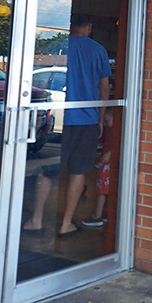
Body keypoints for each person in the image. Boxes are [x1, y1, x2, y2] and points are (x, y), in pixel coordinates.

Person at [23, 13, 111, 238]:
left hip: (60, 117)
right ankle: (65, 224)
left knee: (47, 170)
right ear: (89, 26)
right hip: (87, 119)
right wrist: (101, 119)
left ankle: (36, 220)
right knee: (78, 172)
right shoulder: (98, 50)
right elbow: (103, 89)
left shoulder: (59, 45)